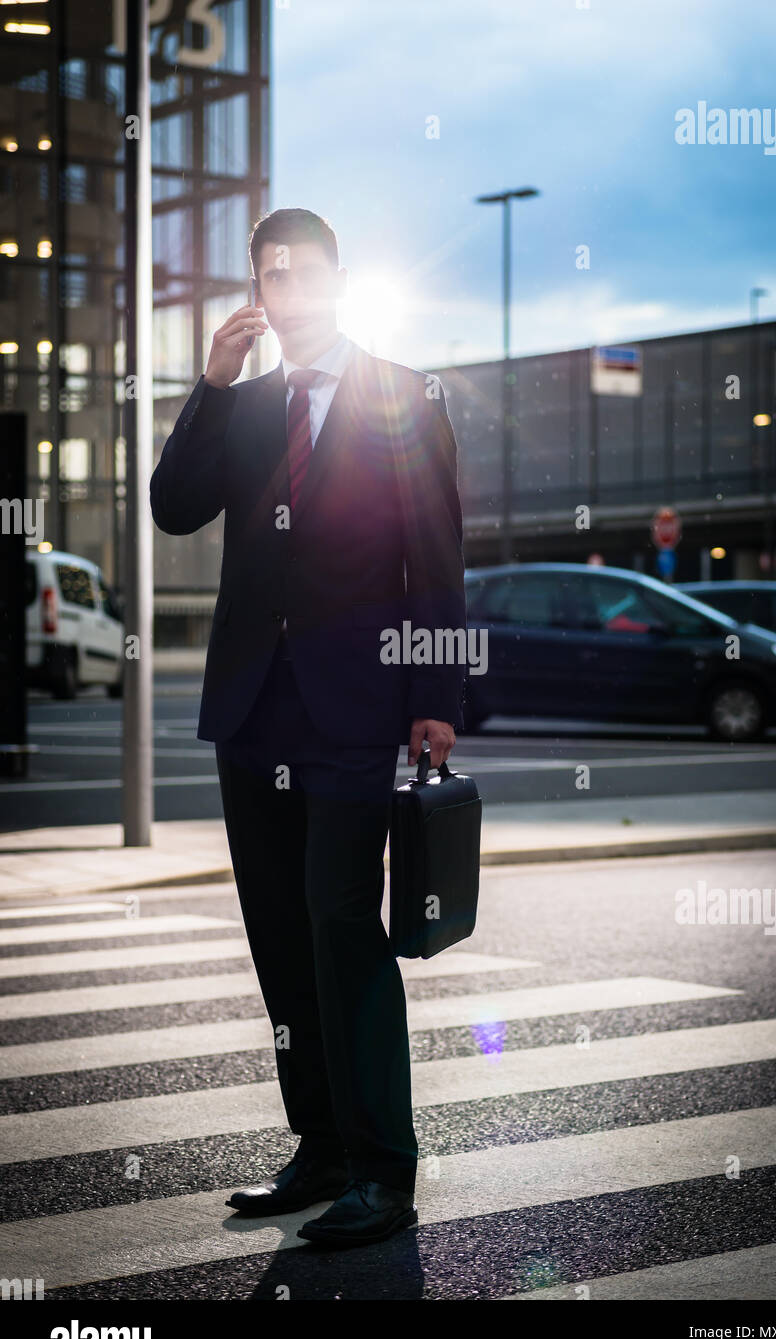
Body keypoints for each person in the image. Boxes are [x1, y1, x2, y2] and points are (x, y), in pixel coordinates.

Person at [150, 208, 466, 1247]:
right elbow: (172, 506)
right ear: (259, 290)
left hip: (353, 706)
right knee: (280, 936)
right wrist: (211, 383)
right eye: (270, 275)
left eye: (305, 273)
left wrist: (433, 697)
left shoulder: (403, 396)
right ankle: (320, 1145)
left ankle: (385, 1170)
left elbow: (435, 552)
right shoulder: (246, 407)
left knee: (340, 923)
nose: (287, 291)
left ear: (337, 281)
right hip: (252, 706)